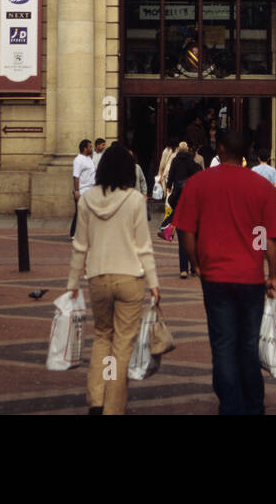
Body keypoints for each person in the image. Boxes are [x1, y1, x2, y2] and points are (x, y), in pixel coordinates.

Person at [172, 129, 276, 415]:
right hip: (250, 277)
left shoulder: (199, 183)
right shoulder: (261, 187)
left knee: (223, 343)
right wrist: (273, 275)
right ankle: (253, 403)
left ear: (220, 149)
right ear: (246, 151)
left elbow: (185, 229)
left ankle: (231, 404)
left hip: (215, 277)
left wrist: (195, 262)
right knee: (248, 343)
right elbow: (271, 238)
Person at [66, 142, 160, 415]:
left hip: (97, 276)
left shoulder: (87, 200)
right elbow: (144, 246)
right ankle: (113, 407)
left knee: (102, 337)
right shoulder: (134, 201)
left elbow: (80, 246)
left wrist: (72, 284)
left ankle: (97, 399)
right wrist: (154, 283)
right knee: (122, 345)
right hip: (130, 277)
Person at [166, 142, 200, 278]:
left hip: (180, 208)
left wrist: (169, 186)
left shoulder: (175, 160)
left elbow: (171, 174)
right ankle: (193, 267)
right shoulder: (192, 162)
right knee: (195, 239)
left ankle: (183, 269)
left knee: (182, 242)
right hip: (193, 211)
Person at [71, 139, 95, 239]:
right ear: (85, 148)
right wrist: (77, 191)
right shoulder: (78, 160)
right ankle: (73, 234)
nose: (91, 148)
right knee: (79, 213)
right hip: (82, 190)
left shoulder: (88, 158)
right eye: (90, 147)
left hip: (91, 190)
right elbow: (76, 176)